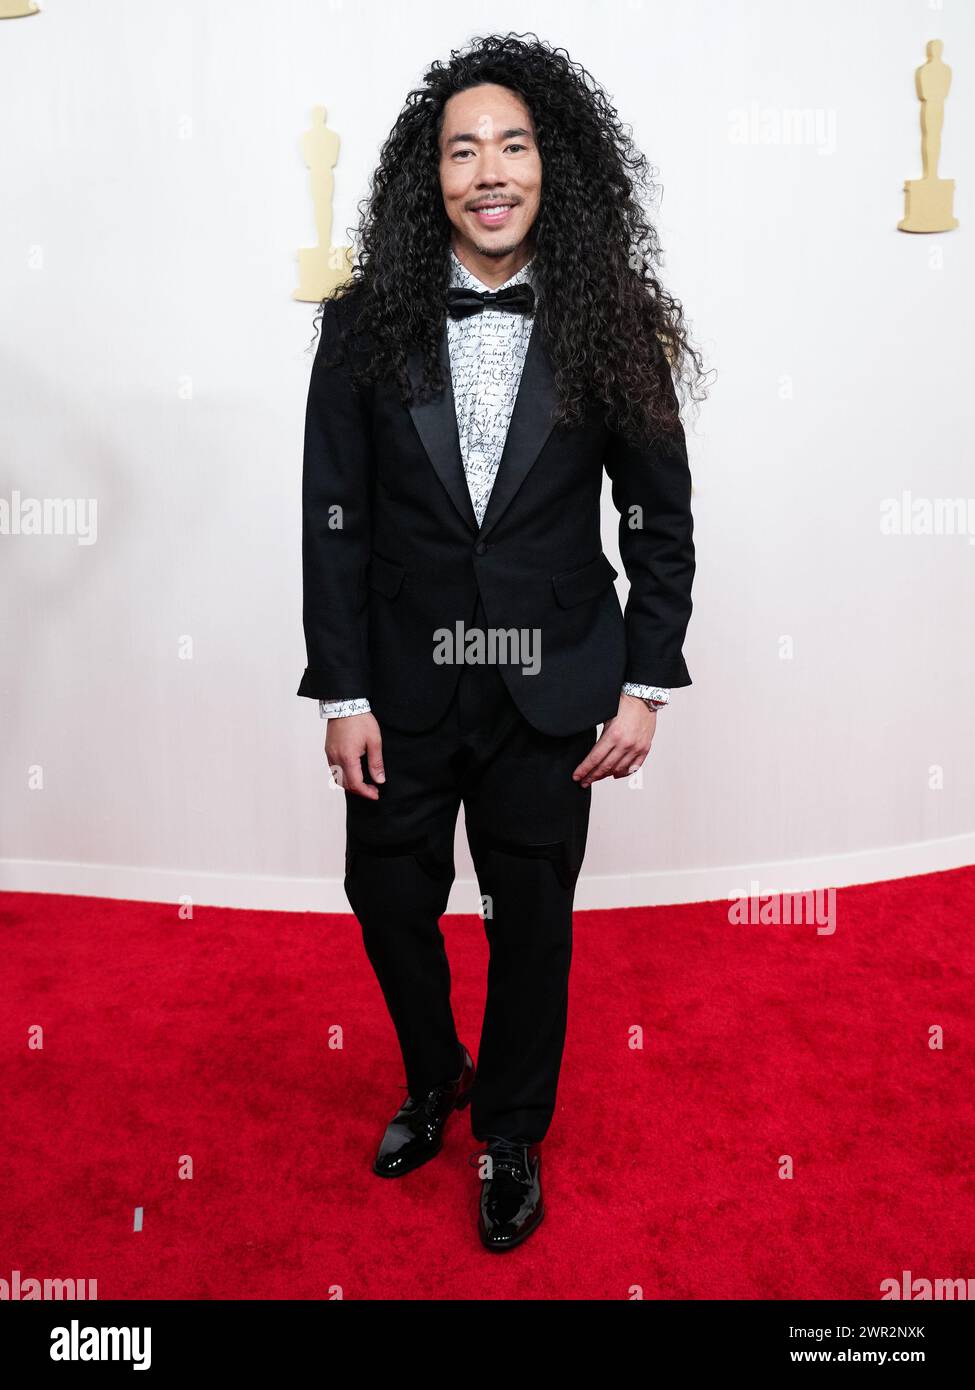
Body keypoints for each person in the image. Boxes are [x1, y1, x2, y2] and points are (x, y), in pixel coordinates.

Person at [298, 33, 702, 1252]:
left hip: (551, 677)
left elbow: (659, 515)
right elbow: (335, 519)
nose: (489, 170)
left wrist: (644, 680)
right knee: (385, 893)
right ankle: (436, 1075)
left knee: (534, 917)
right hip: (404, 680)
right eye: (462, 147)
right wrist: (342, 694)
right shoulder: (365, 322)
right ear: (431, 176)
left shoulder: (606, 316)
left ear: (551, 164)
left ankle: (511, 1133)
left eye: (513, 145)